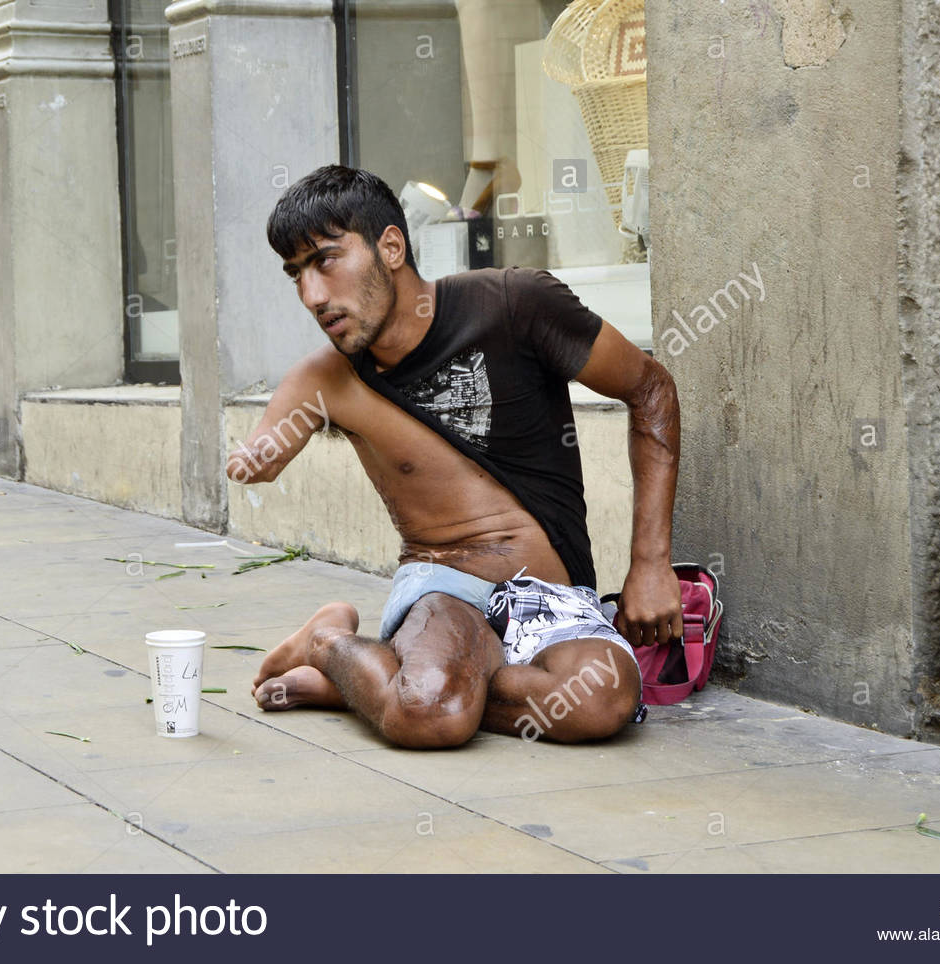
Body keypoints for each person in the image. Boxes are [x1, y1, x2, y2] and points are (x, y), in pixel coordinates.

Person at [229, 165, 681, 749]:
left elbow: (650, 390)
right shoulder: (325, 379)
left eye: (326, 260)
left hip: (553, 598)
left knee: (602, 702)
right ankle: (333, 642)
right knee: (431, 716)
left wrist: (650, 562)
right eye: (296, 275)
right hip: (445, 586)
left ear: (390, 246)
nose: (313, 295)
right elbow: (265, 441)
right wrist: (252, 456)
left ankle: (369, 678)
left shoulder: (515, 305)